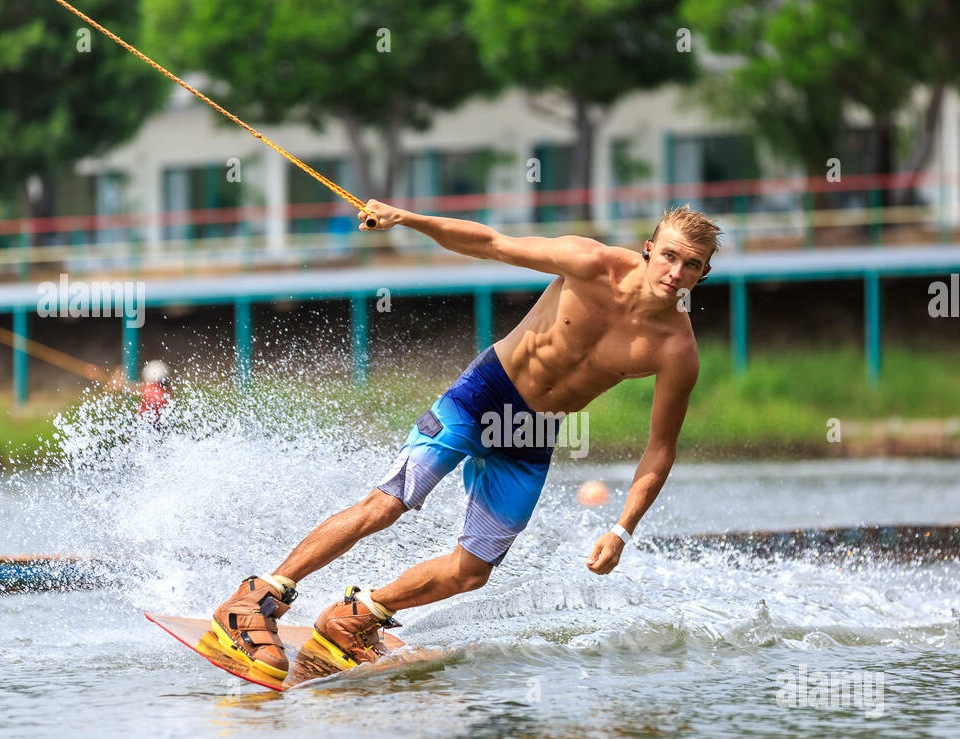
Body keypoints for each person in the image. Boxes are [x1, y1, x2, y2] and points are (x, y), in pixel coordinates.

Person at [211, 203, 722, 681]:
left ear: (703, 274)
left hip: (534, 432)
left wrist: (622, 529)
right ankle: (257, 598)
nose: (675, 273)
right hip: (485, 392)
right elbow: (491, 242)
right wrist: (404, 218)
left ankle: (354, 618)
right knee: (389, 503)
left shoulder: (676, 349)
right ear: (650, 248)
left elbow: (660, 448)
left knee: (472, 571)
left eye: (692, 265)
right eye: (670, 256)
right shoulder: (588, 261)